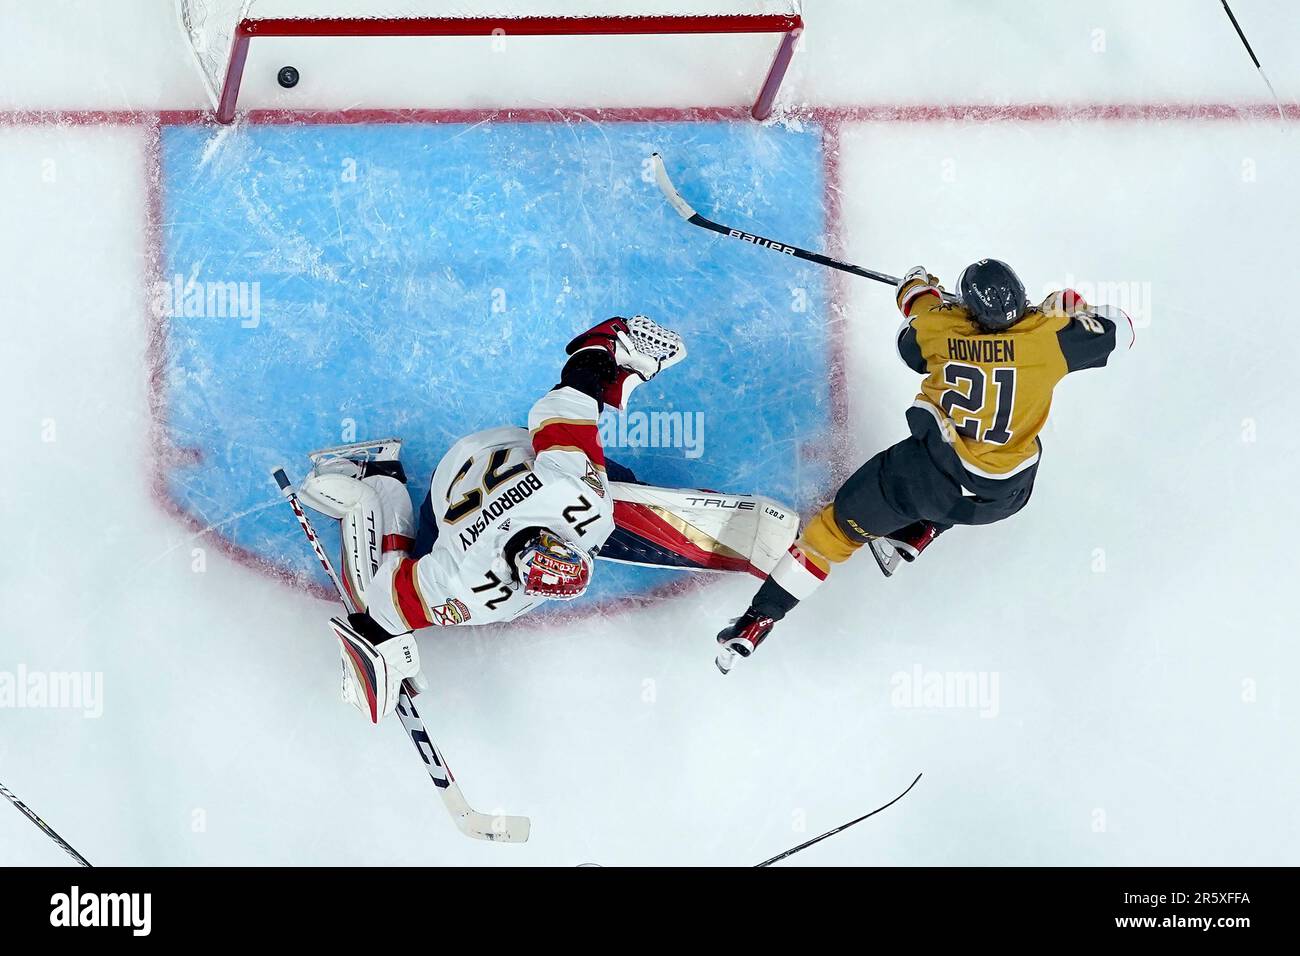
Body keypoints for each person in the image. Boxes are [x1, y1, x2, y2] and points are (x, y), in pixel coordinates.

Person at [715, 259, 1134, 674]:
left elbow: (909, 334)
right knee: (1004, 451)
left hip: (924, 483)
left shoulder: (939, 327)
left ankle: (758, 621)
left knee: (832, 534)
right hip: (1002, 497)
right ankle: (921, 531)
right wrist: (1069, 307)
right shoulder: (1050, 339)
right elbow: (1124, 326)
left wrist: (918, 288)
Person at [299, 315, 685, 721]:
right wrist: (387, 644)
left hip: (502, 453)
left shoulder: (570, 492)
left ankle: (377, 481)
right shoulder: (464, 580)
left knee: (586, 456)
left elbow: (572, 391)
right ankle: (375, 483)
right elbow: (382, 602)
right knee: (378, 583)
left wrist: (604, 350)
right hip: (451, 486)